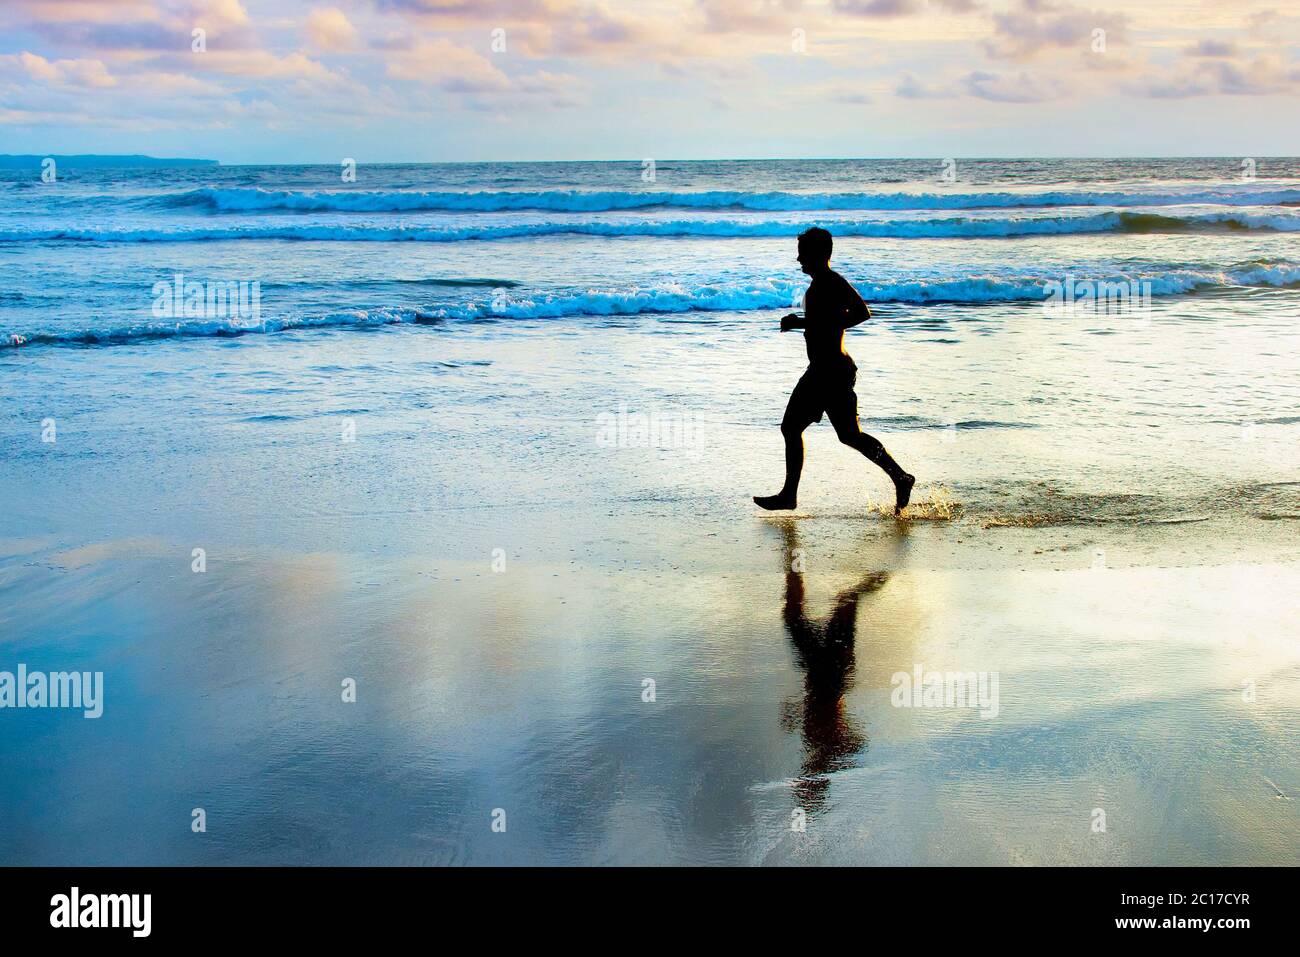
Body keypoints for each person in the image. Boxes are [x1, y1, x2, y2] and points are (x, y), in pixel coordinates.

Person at [753, 227, 915, 515]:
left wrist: (802, 323)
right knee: (848, 435)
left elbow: (862, 313)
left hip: (829, 371)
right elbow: (825, 320)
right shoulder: (820, 284)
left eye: (803, 253)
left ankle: (790, 496)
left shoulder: (830, 281)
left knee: (795, 428)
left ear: (817, 255)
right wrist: (801, 323)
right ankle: (900, 477)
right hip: (825, 370)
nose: (798, 259)